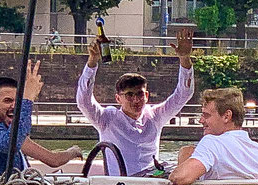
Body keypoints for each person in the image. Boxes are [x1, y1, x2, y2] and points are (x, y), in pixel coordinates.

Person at [77, 25, 195, 175]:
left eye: (139, 94)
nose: (135, 100)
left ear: (146, 96)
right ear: (118, 98)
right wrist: (92, 62)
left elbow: (183, 94)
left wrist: (184, 58)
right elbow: (83, 101)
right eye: (129, 95)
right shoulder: (107, 118)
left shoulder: (154, 116)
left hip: (151, 184)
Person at [0, 61, 81, 176]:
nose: (14, 106)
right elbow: (10, 144)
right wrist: (27, 100)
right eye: (7, 101)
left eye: (18, 101)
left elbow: (53, 160)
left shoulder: (11, 133)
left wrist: (73, 151)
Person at [170, 88, 258, 185]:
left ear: (226, 116)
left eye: (206, 115)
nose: (201, 120)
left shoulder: (212, 143)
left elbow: (181, 178)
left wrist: (184, 158)